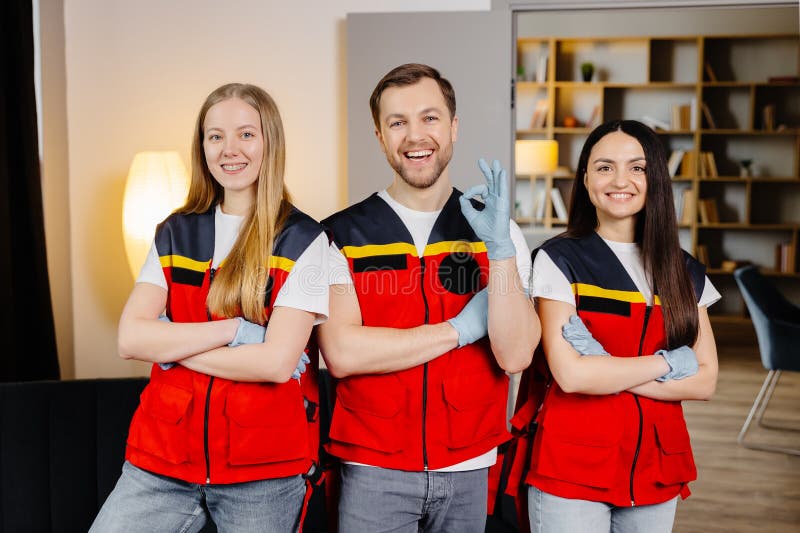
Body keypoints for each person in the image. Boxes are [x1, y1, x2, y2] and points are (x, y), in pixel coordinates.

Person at [90, 83, 331, 533]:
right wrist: (235, 331)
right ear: (201, 147)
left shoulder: (306, 241)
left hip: (262, 472)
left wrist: (169, 343)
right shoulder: (174, 233)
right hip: (161, 461)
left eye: (245, 134)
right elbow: (130, 339)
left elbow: (277, 364)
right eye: (215, 136)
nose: (229, 150)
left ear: (269, 142)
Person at [318, 63, 540, 533]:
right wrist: (458, 331)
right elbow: (341, 352)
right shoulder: (340, 235)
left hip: (469, 465)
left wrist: (500, 253)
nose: (415, 135)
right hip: (372, 469)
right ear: (379, 136)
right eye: (397, 122)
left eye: (430, 118)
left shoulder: (499, 233)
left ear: (454, 127)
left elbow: (517, 353)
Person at [520, 119, 720, 532]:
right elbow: (572, 375)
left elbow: (705, 381)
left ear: (655, 179)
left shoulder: (684, 270)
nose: (620, 180)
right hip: (573, 468)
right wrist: (670, 363)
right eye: (605, 166)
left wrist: (605, 365)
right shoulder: (558, 260)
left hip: (655, 468)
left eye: (637, 167)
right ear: (586, 178)